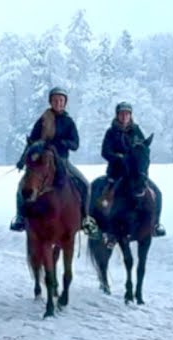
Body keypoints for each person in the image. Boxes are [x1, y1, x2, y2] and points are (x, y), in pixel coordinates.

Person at [10, 87, 97, 234]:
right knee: (22, 186)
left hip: (62, 161)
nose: (58, 103)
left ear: (65, 103)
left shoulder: (69, 122)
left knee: (86, 185)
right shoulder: (43, 120)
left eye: (61, 100)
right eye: (55, 100)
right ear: (50, 101)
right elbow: (31, 142)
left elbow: (75, 144)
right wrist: (22, 160)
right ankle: (20, 217)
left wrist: (64, 143)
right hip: (42, 161)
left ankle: (85, 218)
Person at [100, 101, 165, 237]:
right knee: (105, 197)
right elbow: (105, 152)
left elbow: (142, 149)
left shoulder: (136, 131)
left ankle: (155, 224)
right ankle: (104, 224)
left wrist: (137, 159)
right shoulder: (111, 132)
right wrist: (118, 158)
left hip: (135, 173)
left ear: (130, 116)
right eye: (122, 114)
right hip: (116, 172)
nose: (124, 117)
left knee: (157, 193)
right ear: (117, 115)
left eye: (127, 114)